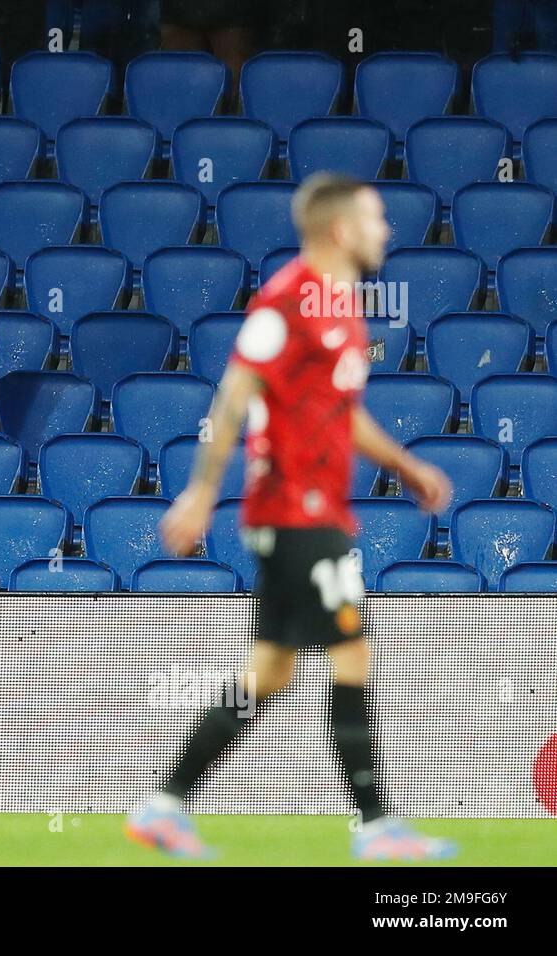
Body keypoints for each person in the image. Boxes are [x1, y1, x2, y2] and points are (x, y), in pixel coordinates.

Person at [126, 173, 458, 862]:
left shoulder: (343, 306)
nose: (386, 231)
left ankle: (164, 804)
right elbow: (236, 391)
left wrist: (406, 465)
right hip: (296, 509)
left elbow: (344, 412)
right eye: (375, 219)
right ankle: (375, 825)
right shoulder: (290, 297)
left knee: (271, 673)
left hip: (309, 511)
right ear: (340, 229)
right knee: (351, 651)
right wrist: (199, 491)